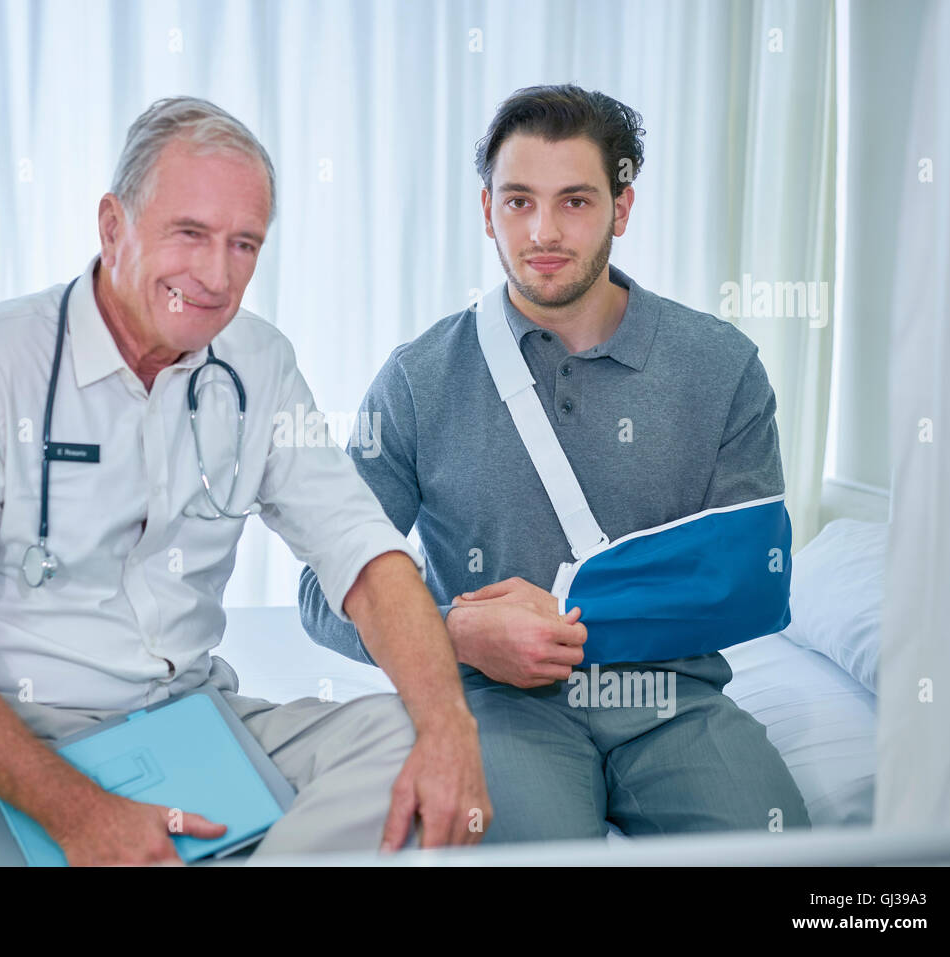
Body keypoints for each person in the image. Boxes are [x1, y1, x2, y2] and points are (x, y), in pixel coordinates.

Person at [0, 96, 489, 866]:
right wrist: (85, 813)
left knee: (410, 742)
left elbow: (363, 553)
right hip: (18, 741)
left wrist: (451, 722)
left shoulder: (258, 363)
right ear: (112, 225)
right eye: (189, 233)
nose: (216, 275)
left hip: (190, 723)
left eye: (244, 244)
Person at [299, 84, 811, 843]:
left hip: (675, 701)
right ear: (486, 213)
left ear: (622, 209)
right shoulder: (419, 379)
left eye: (574, 201)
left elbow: (752, 577)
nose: (542, 231)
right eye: (517, 202)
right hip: (497, 706)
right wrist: (456, 636)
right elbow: (320, 592)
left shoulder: (722, 367)